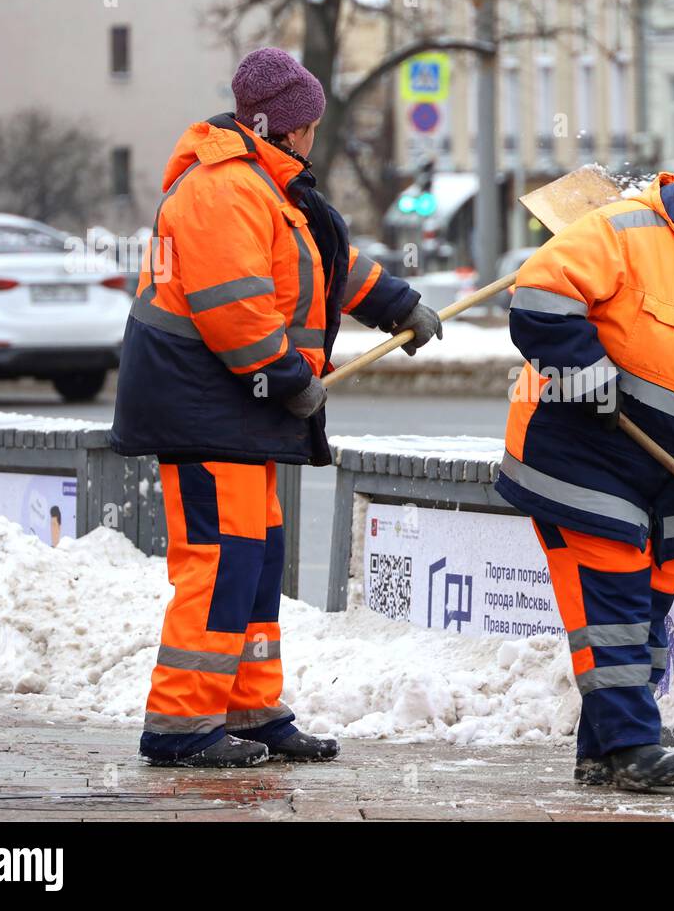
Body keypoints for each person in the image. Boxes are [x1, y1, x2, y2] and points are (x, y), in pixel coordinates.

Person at [110, 47, 442, 767]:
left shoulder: (273, 188)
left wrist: (399, 305)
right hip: (203, 405)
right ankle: (181, 723)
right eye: (310, 122)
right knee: (219, 560)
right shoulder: (221, 189)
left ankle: (250, 705)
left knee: (256, 561)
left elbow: (328, 263)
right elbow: (233, 308)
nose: (314, 133)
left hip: (236, 412)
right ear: (288, 127)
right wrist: (287, 376)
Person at [495, 140, 674, 791]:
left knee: (648, 619)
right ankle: (633, 747)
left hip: (673, 486)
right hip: (580, 459)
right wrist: (587, 376)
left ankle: (601, 754)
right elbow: (540, 299)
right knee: (615, 612)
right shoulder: (625, 233)